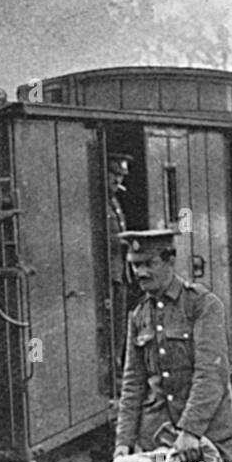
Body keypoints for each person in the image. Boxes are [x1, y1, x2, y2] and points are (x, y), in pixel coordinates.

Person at [114, 228, 232, 462]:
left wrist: (190, 431)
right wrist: (123, 441)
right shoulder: (139, 315)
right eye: (135, 264)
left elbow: (211, 373)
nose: (140, 272)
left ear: (169, 260)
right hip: (160, 438)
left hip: (210, 436)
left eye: (148, 263)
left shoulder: (202, 304)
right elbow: (133, 382)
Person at [106, 153, 133, 384]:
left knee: (119, 326)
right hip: (109, 275)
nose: (117, 180)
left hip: (119, 273)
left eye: (121, 176)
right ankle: (112, 371)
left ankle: (117, 368)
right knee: (112, 326)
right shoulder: (101, 204)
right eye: (114, 174)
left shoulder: (113, 202)